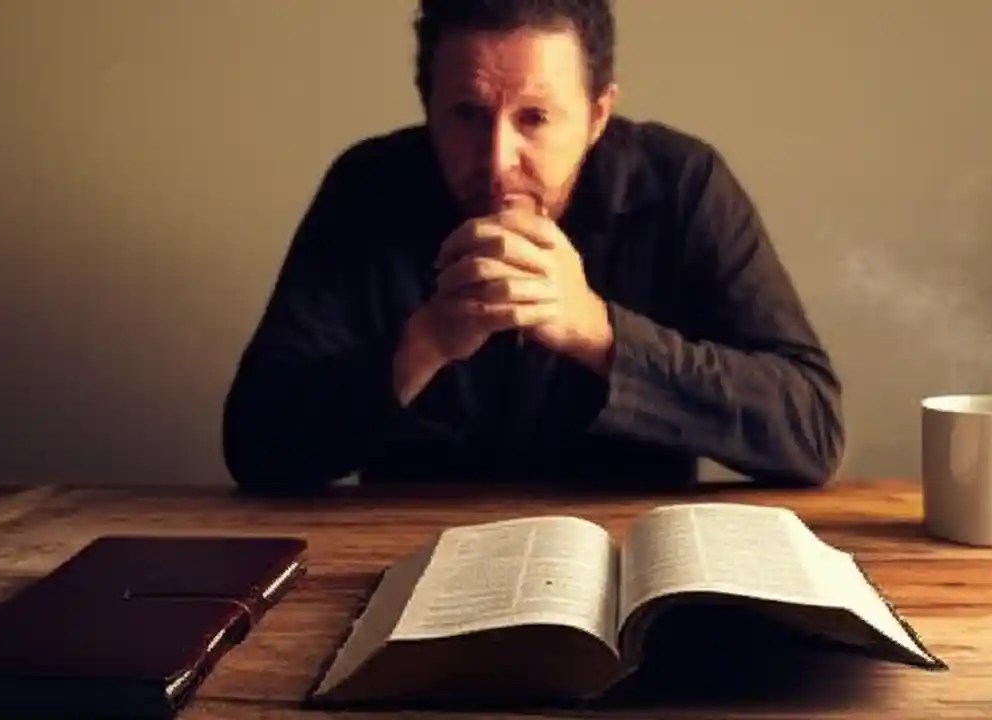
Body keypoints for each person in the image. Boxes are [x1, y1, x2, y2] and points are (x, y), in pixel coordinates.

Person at [222, 0, 844, 491]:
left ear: (598, 115)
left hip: (632, 578)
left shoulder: (682, 184)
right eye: (467, 114)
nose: (497, 162)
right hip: (402, 570)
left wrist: (598, 333)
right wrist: (423, 346)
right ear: (428, 106)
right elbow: (255, 445)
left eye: (535, 118)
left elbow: (812, 430)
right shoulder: (368, 187)